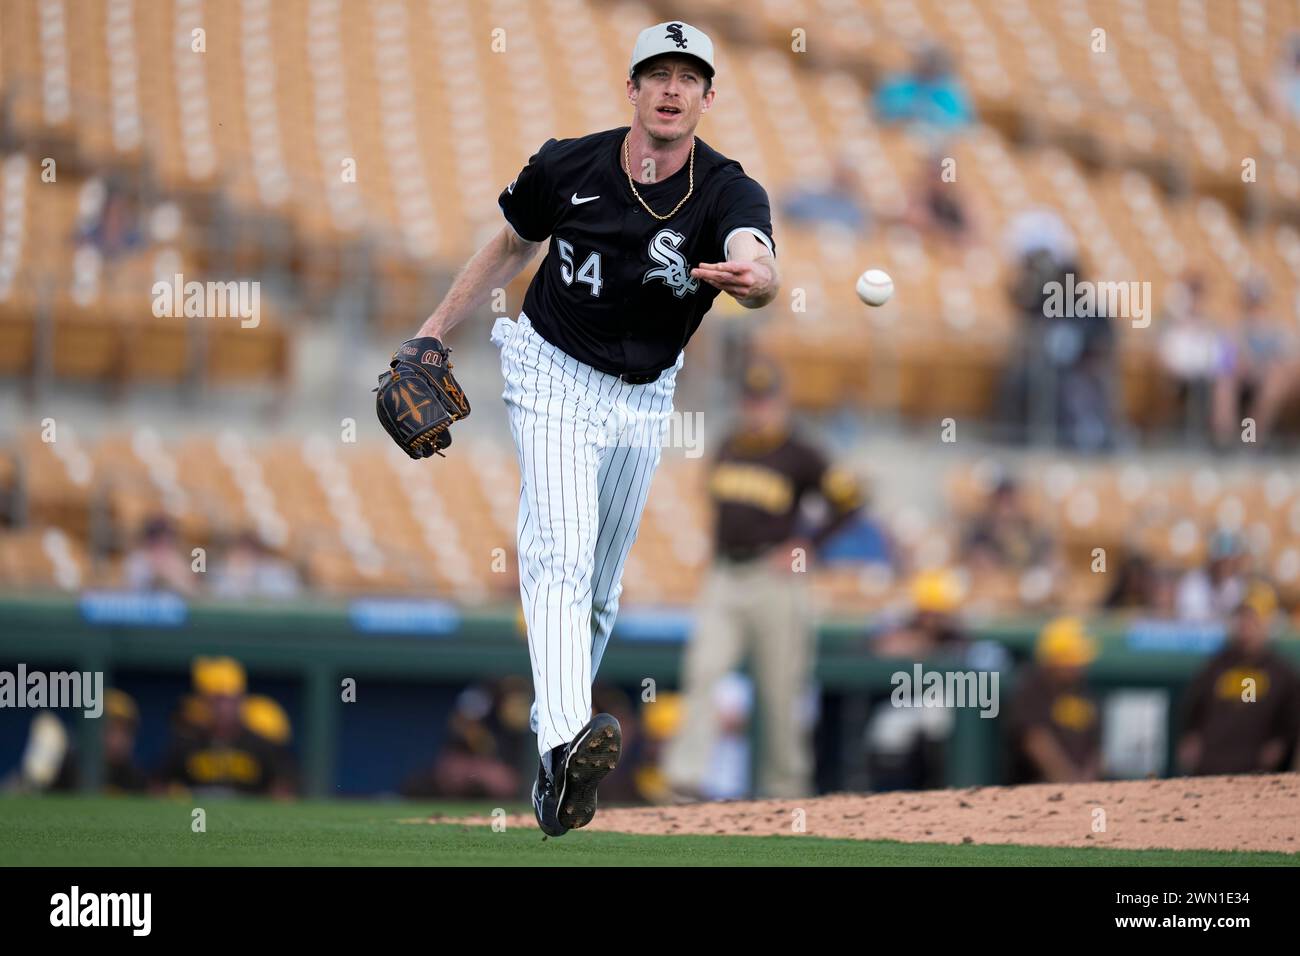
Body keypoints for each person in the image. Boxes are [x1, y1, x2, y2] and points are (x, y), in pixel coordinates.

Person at [394, 21, 779, 837]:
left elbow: (757, 258)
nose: (671, 88)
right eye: (656, 74)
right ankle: (566, 739)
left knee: (602, 592)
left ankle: (552, 779)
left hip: (645, 393)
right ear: (632, 88)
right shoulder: (569, 162)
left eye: (688, 76)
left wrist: (756, 279)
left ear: (709, 96)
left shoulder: (727, 191)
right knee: (558, 555)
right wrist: (431, 332)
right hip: (550, 369)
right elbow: (509, 244)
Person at [663, 360, 860, 799]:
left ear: (781, 403)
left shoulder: (802, 452)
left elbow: (850, 500)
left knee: (781, 687)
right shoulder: (728, 445)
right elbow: (720, 510)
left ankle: (785, 790)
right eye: (751, 400)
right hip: (725, 576)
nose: (758, 408)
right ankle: (685, 779)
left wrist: (810, 544)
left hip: (776, 580)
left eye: (765, 400)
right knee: (703, 672)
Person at [1178, 583, 1300, 775]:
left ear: (1268, 624)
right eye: (1241, 617)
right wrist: (1191, 737)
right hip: (1211, 767)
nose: (1245, 625)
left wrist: (1280, 746)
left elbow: (1291, 724)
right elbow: (1194, 708)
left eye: (1253, 619)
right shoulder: (1217, 664)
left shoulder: (1282, 673)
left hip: (1257, 772)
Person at [156, 657, 296, 797]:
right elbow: (158, 787)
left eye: (229, 700)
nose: (223, 708)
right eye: (216, 701)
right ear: (202, 702)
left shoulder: (260, 745)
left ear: (241, 699)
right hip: (198, 815)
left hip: (248, 816)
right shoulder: (187, 742)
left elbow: (283, 790)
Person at [1005, 617, 1102, 784]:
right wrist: (1070, 782)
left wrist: (1087, 782)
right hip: (1036, 787)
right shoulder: (1031, 688)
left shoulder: (1083, 689)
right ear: (1054, 660)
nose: (1079, 667)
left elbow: (1097, 748)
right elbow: (1035, 741)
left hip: (1082, 784)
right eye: (1072, 661)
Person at [1211, 276, 1297, 449]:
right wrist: (1241, 363)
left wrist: (1267, 368)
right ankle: (1224, 438)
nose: (1255, 308)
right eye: (1251, 302)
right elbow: (1224, 359)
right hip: (1242, 378)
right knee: (1224, 381)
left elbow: (1289, 359)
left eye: (1257, 302)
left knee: (1274, 382)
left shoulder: (1277, 330)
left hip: (1268, 380)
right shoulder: (1234, 329)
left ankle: (1250, 439)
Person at [122, 515, 197, 596]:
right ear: (149, 539)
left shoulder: (175, 559)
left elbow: (191, 590)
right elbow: (134, 589)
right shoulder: (137, 560)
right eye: (159, 538)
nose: (164, 542)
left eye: (167, 538)